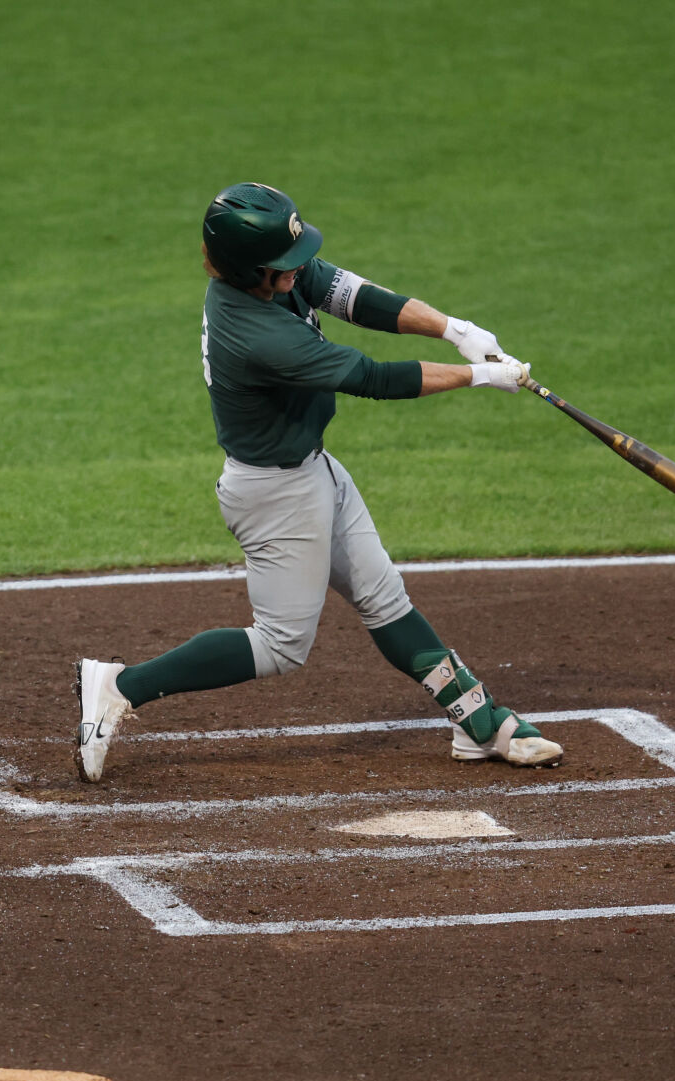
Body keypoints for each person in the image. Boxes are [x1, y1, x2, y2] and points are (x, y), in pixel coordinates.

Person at [74, 183, 563, 783]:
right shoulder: (257, 333)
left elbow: (353, 296)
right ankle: (121, 685)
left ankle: (478, 723)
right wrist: (477, 377)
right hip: (274, 495)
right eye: (284, 264)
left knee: (385, 599)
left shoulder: (268, 274)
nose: (298, 269)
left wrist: (455, 329)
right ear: (247, 268)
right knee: (280, 645)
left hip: (313, 470)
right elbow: (373, 377)